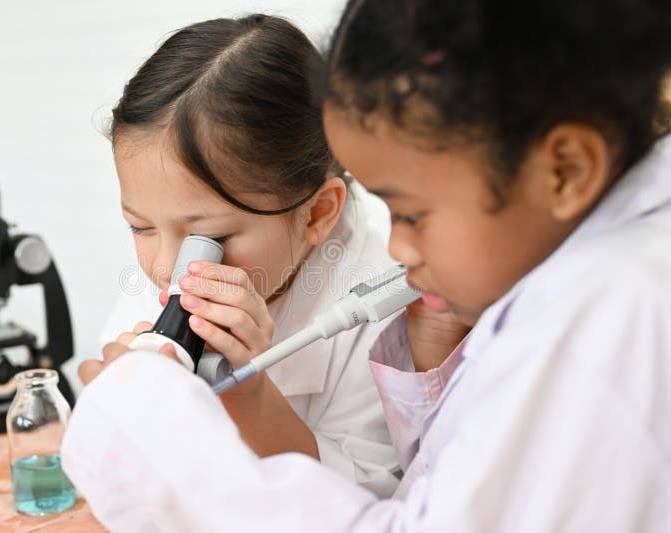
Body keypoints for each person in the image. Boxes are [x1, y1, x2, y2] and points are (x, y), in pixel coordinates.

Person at [63, 0, 671, 531]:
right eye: (139, 227)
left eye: (410, 213)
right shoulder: (584, 288)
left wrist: (156, 437)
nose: (401, 253)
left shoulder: (605, 320)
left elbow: (380, 496)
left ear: (564, 169)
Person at [79, 14, 466, 497]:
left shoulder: (376, 302)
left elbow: (369, 498)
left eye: (210, 238)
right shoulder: (165, 267)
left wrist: (251, 395)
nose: (165, 267)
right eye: (140, 226)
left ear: (317, 214)